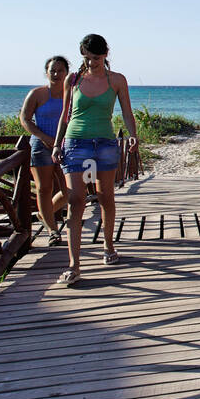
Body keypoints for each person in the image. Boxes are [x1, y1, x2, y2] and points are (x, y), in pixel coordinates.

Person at [52, 34, 138, 287]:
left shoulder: (118, 80)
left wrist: (133, 136)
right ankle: (73, 265)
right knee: (75, 201)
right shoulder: (74, 79)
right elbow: (65, 116)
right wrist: (57, 144)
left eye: (97, 58)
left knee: (106, 197)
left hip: (105, 143)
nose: (92, 63)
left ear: (106, 54)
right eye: (87, 58)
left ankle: (108, 245)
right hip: (75, 142)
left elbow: (127, 112)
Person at [18, 55, 71, 243]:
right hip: (41, 145)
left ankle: (45, 215)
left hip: (66, 146)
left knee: (69, 190)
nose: (56, 74)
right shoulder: (37, 94)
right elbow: (24, 119)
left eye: (60, 70)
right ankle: (52, 231)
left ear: (67, 72)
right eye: (52, 71)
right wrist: (44, 137)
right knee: (44, 188)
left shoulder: (72, 94)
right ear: (46, 73)